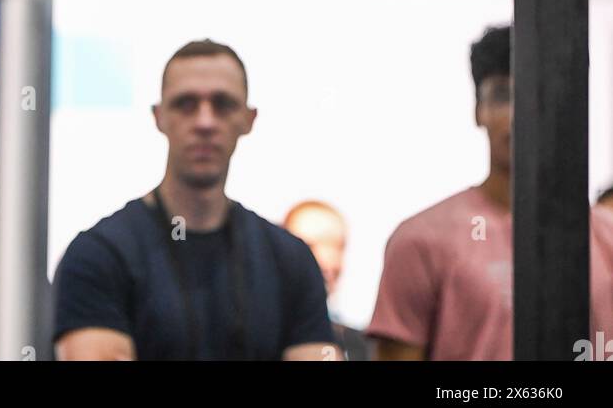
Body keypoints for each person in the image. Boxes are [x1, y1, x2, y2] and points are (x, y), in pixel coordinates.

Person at [51, 39, 342, 361]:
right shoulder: (100, 254)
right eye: (186, 104)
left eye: (223, 104)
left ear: (248, 119)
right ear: (159, 117)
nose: (205, 122)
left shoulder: (291, 261)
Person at [366, 24, 613, 361]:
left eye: (538, 94)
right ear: (478, 111)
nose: (520, 115)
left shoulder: (608, 238)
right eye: (503, 96)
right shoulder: (422, 241)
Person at [283, 199, 371, 360]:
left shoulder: (358, 343)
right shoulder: (255, 333)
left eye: (337, 246)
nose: (327, 260)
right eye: (310, 246)